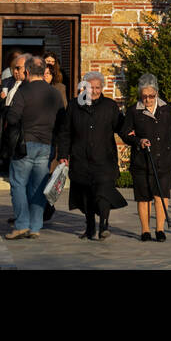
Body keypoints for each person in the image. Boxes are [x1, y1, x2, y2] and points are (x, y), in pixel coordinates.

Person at [56, 70, 128, 240]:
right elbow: (65, 132)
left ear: (102, 88)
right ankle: (89, 227)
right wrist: (63, 155)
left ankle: (103, 225)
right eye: (90, 87)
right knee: (86, 195)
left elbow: (122, 127)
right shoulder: (74, 106)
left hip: (104, 159)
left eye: (97, 87)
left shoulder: (110, 106)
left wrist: (135, 135)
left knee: (103, 193)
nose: (94, 91)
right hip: (81, 159)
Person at [121, 74, 171, 242]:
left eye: (151, 96)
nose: (148, 99)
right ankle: (145, 230)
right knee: (144, 197)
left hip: (164, 159)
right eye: (144, 96)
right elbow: (124, 133)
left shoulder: (167, 109)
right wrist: (138, 140)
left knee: (161, 195)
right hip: (142, 161)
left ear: (157, 93)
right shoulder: (134, 111)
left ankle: (159, 229)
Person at [4, 56, 64, 239]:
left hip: (25, 144)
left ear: (27, 72)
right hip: (46, 145)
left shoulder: (24, 90)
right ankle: (36, 227)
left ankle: (22, 224)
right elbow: (62, 120)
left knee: (18, 184)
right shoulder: (54, 93)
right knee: (38, 187)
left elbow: (12, 118)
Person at [41, 60, 68, 222]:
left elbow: (62, 113)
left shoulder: (58, 90)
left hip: (51, 138)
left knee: (47, 175)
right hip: (39, 138)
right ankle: (44, 208)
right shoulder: (35, 90)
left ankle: (47, 207)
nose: (45, 77)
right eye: (43, 74)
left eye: (48, 74)